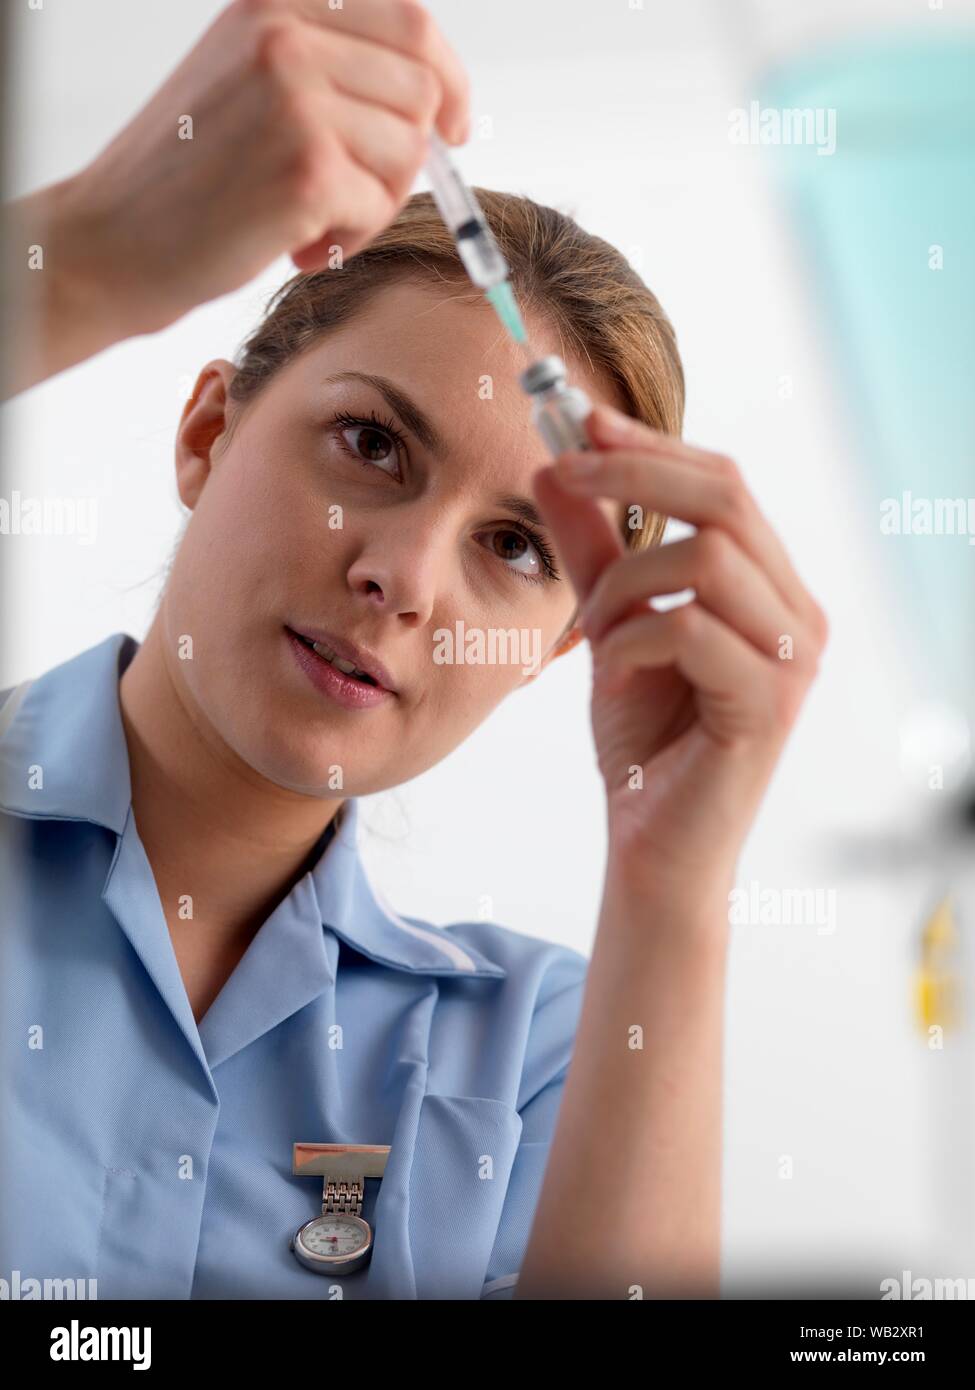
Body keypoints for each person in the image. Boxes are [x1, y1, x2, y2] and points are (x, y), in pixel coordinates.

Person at [0, 0, 828, 1300]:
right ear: (207, 432)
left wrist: (674, 883)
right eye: (373, 444)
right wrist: (91, 253)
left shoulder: (537, 1059)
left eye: (515, 546)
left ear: (559, 648)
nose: (400, 576)